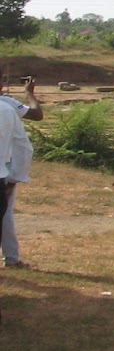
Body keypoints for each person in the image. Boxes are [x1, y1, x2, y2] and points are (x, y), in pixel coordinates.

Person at [1, 74, 42, 268]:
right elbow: (36, 114)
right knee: (5, 213)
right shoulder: (6, 107)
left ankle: (11, 257)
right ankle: (11, 258)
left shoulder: (6, 106)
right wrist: (29, 94)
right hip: (5, 168)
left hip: (5, 167)